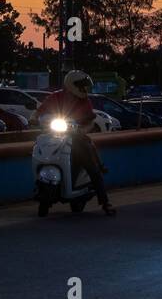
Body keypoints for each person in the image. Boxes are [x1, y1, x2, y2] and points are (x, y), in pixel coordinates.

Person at [37, 71, 115, 215]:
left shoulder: (84, 101)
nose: (84, 89)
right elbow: (40, 111)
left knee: (92, 168)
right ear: (71, 85)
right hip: (54, 136)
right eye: (81, 86)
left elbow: (91, 121)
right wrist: (32, 119)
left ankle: (105, 202)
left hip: (76, 138)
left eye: (85, 86)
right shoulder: (55, 97)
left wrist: (83, 130)